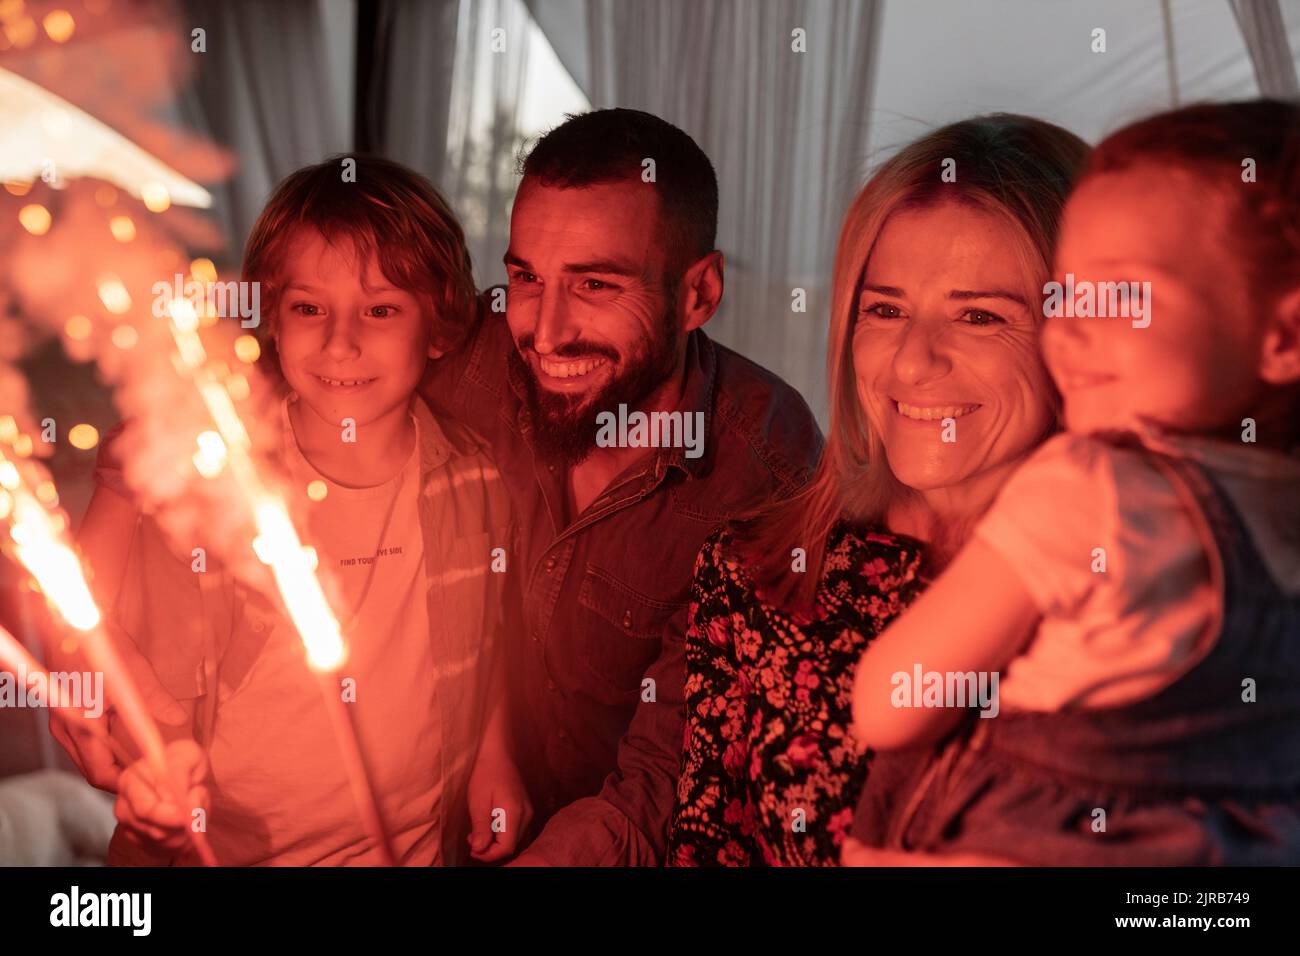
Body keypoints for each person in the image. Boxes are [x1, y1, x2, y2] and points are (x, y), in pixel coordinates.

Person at [848, 100, 1300, 865]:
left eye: (1123, 296)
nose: (1072, 328)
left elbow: (891, 705)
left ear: (1286, 336)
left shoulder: (1091, 490)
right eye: (1066, 293)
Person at [68, 156, 528, 865]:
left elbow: (487, 633)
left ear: (437, 327)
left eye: (380, 310)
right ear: (272, 320)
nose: (340, 342)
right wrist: (145, 778)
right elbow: (98, 645)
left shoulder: (472, 480)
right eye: (309, 308)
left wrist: (495, 754)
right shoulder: (218, 482)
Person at [668, 115, 1088, 865]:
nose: (913, 362)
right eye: (885, 309)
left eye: (980, 315)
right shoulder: (750, 573)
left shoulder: (1158, 593)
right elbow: (708, 849)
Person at [419, 108, 823, 865]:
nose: (545, 331)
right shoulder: (468, 357)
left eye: (596, 284)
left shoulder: (764, 459)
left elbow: (677, 757)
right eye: (526, 278)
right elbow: (283, 384)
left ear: (699, 293)